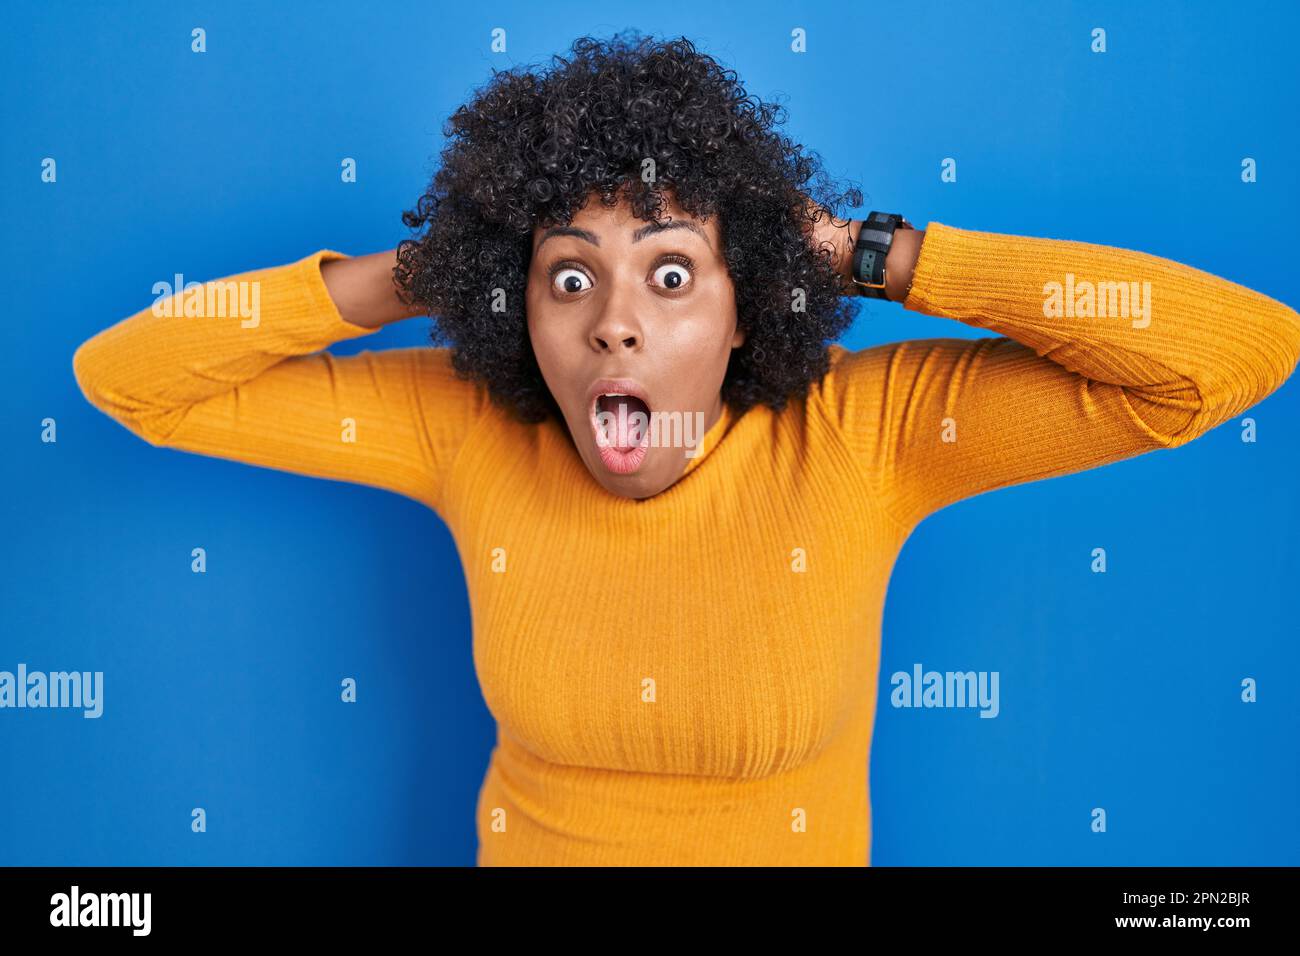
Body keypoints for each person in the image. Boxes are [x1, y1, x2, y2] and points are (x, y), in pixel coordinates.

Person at [72, 32, 1300, 866]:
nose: (616, 318)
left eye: (671, 272)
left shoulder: (862, 433)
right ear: (524, 307)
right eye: (568, 275)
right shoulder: (469, 427)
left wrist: (858, 250)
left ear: (745, 304)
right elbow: (132, 380)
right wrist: (414, 271)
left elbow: (1223, 354)